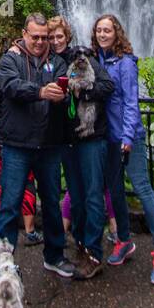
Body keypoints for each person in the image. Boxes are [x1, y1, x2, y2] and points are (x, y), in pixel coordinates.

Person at [94, 13, 154, 285]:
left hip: (129, 137)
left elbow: (131, 102)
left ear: (117, 33)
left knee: (141, 187)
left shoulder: (126, 63)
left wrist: (128, 135)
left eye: (107, 30)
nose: (103, 34)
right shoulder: (97, 62)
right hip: (107, 138)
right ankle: (124, 241)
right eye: (99, 30)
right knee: (114, 189)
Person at [0, 13, 74, 278]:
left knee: (51, 201)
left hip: (49, 145)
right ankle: (3, 262)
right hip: (17, 144)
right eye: (35, 36)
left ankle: (54, 256)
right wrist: (40, 92)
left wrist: (63, 95)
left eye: (44, 37)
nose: (40, 41)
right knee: (10, 202)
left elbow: (64, 88)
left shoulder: (58, 62)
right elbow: (10, 86)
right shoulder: (10, 59)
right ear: (24, 34)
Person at [48, 15, 113, 280]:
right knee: (75, 196)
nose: (54, 41)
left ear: (68, 38)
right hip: (68, 140)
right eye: (49, 37)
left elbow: (108, 86)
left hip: (92, 139)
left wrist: (81, 93)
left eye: (58, 36)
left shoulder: (90, 61)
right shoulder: (52, 64)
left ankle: (95, 253)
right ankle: (82, 246)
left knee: (93, 195)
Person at [0, 66, 40, 246]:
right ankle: (30, 231)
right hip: (25, 136)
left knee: (2, 180)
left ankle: (1, 231)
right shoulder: (28, 71)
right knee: (28, 180)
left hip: (1, 137)